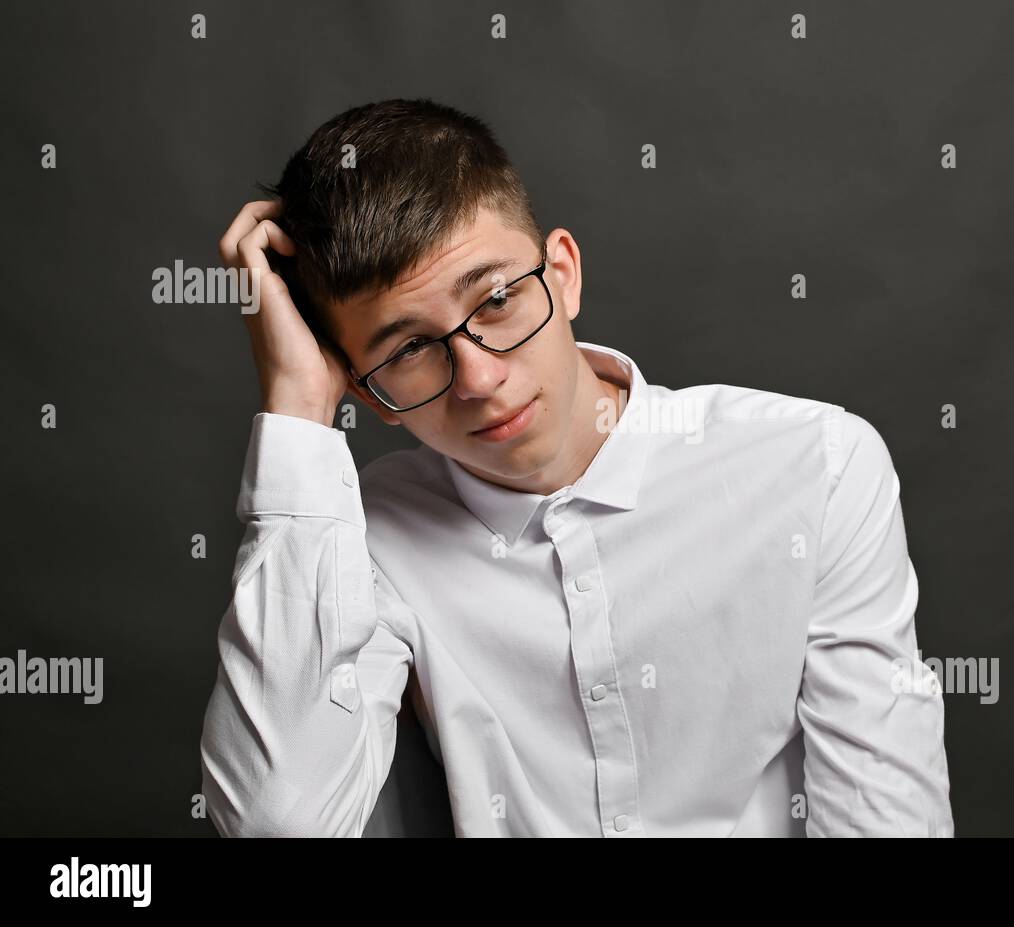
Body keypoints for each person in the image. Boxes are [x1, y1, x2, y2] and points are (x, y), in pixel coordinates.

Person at [199, 98, 953, 837]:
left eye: (495, 300)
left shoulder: (816, 465)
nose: (479, 379)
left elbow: (885, 818)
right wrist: (298, 407)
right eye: (406, 351)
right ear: (370, 393)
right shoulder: (365, 539)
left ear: (563, 274)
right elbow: (278, 821)